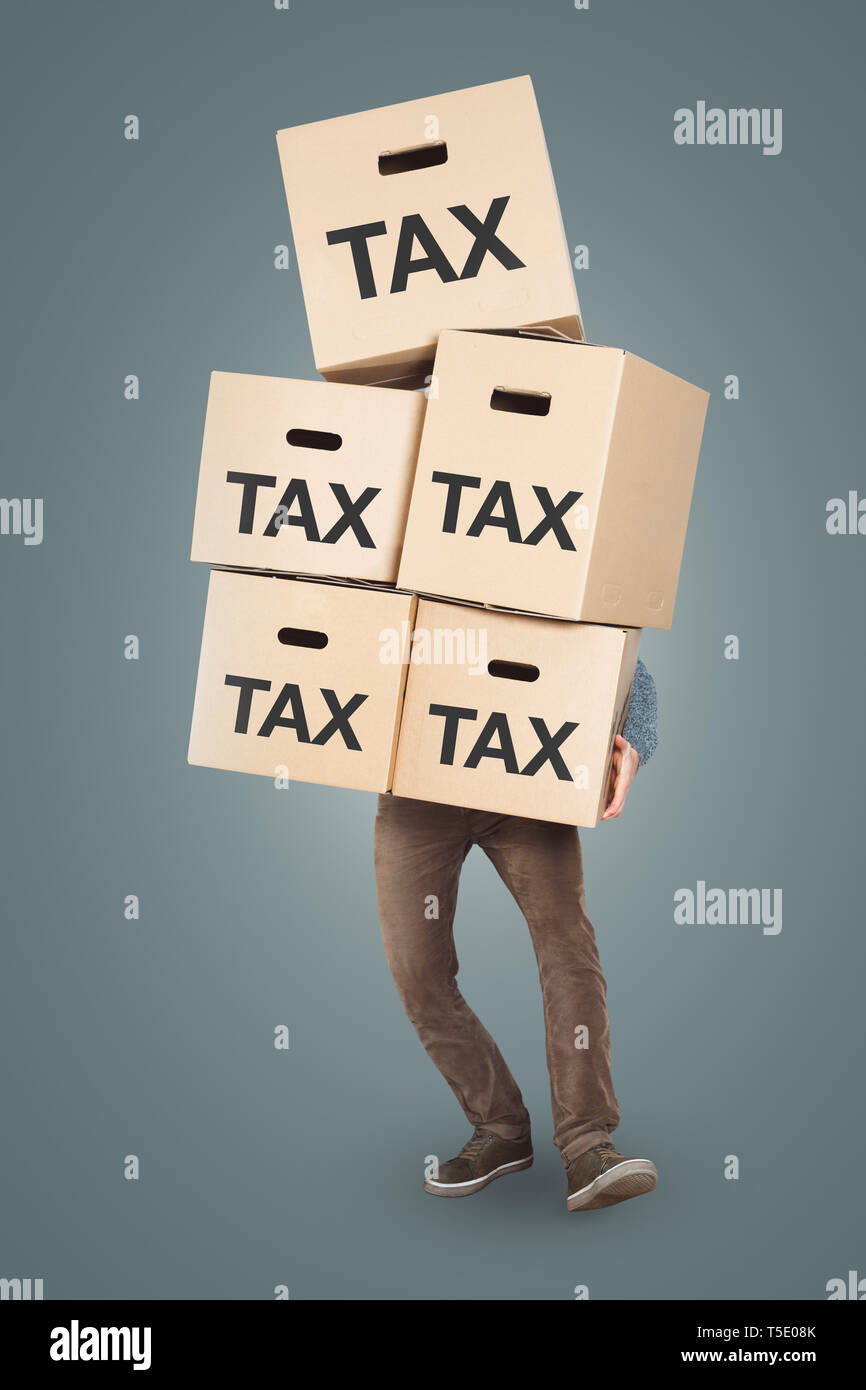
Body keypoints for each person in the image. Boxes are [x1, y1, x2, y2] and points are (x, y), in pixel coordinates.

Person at [374, 658, 659, 1213]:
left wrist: (638, 742)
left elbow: (619, 651)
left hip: (525, 772)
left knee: (567, 951)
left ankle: (587, 1144)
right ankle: (501, 1128)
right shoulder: (406, 567)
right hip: (416, 784)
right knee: (416, 970)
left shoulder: (541, 566)